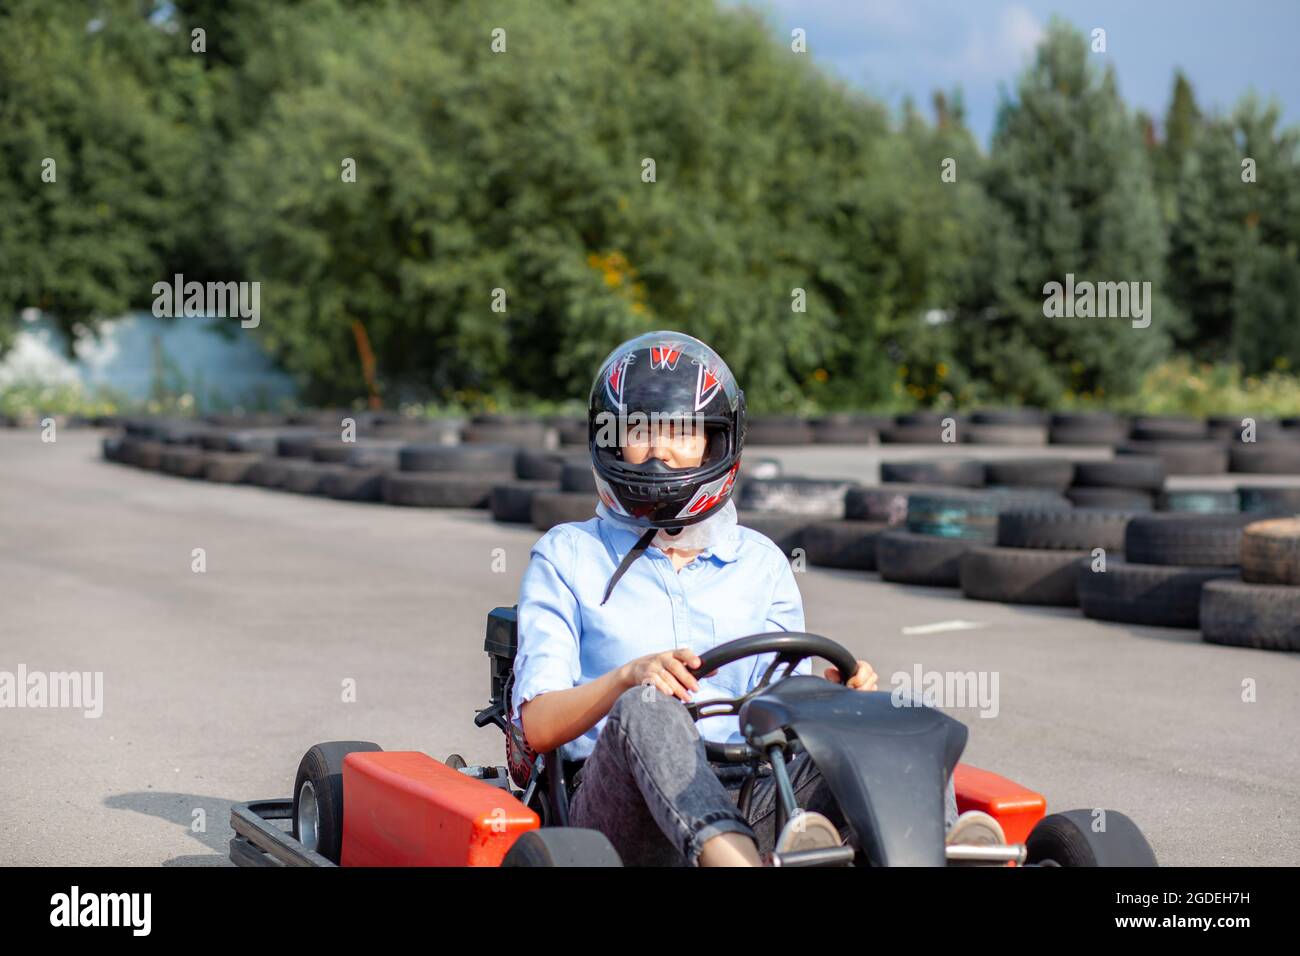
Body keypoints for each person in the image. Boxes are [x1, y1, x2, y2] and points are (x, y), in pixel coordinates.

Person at [509, 332, 967, 866]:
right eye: (639, 430)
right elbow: (537, 726)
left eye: (681, 432)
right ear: (610, 439)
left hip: (754, 795)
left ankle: (940, 852)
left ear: (716, 443)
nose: (659, 451)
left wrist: (829, 697)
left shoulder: (761, 563)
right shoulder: (568, 555)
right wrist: (627, 678)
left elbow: (774, 707)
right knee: (649, 708)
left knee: (881, 714)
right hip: (617, 816)